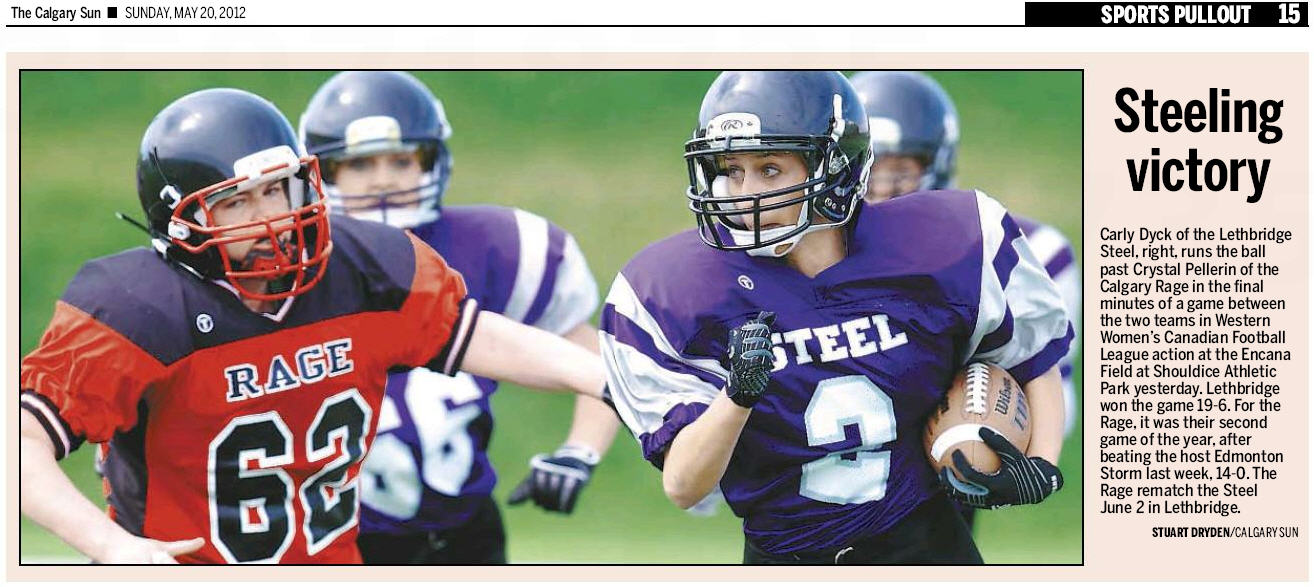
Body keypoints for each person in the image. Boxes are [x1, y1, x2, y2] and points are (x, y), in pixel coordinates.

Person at [18, 88, 605, 564]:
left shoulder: (366, 265)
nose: (270, 215)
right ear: (183, 220)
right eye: (238, 202)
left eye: (276, 190)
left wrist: (606, 379)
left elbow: (475, 336)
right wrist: (111, 547)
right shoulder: (133, 309)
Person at [598, 71, 1072, 565]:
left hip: (923, 544)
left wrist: (1041, 463)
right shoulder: (677, 287)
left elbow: (1030, 358)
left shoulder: (938, 245)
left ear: (837, 166)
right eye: (732, 170)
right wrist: (737, 396)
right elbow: (683, 487)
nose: (744, 192)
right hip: (786, 555)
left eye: (770, 169)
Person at [298, 71, 618, 564]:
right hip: (339, 541)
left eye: (402, 160)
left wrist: (581, 449)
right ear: (323, 173)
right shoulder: (289, 269)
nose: (384, 179)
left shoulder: (493, 247)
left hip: (468, 533)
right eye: (360, 164)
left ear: (433, 161)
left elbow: (587, 350)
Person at [849, 70, 1081, 437]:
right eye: (867, 167)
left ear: (936, 166)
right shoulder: (811, 257)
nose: (877, 188)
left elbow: (1055, 393)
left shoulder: (1026, 252)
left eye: (900, 171)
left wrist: (987, 424)